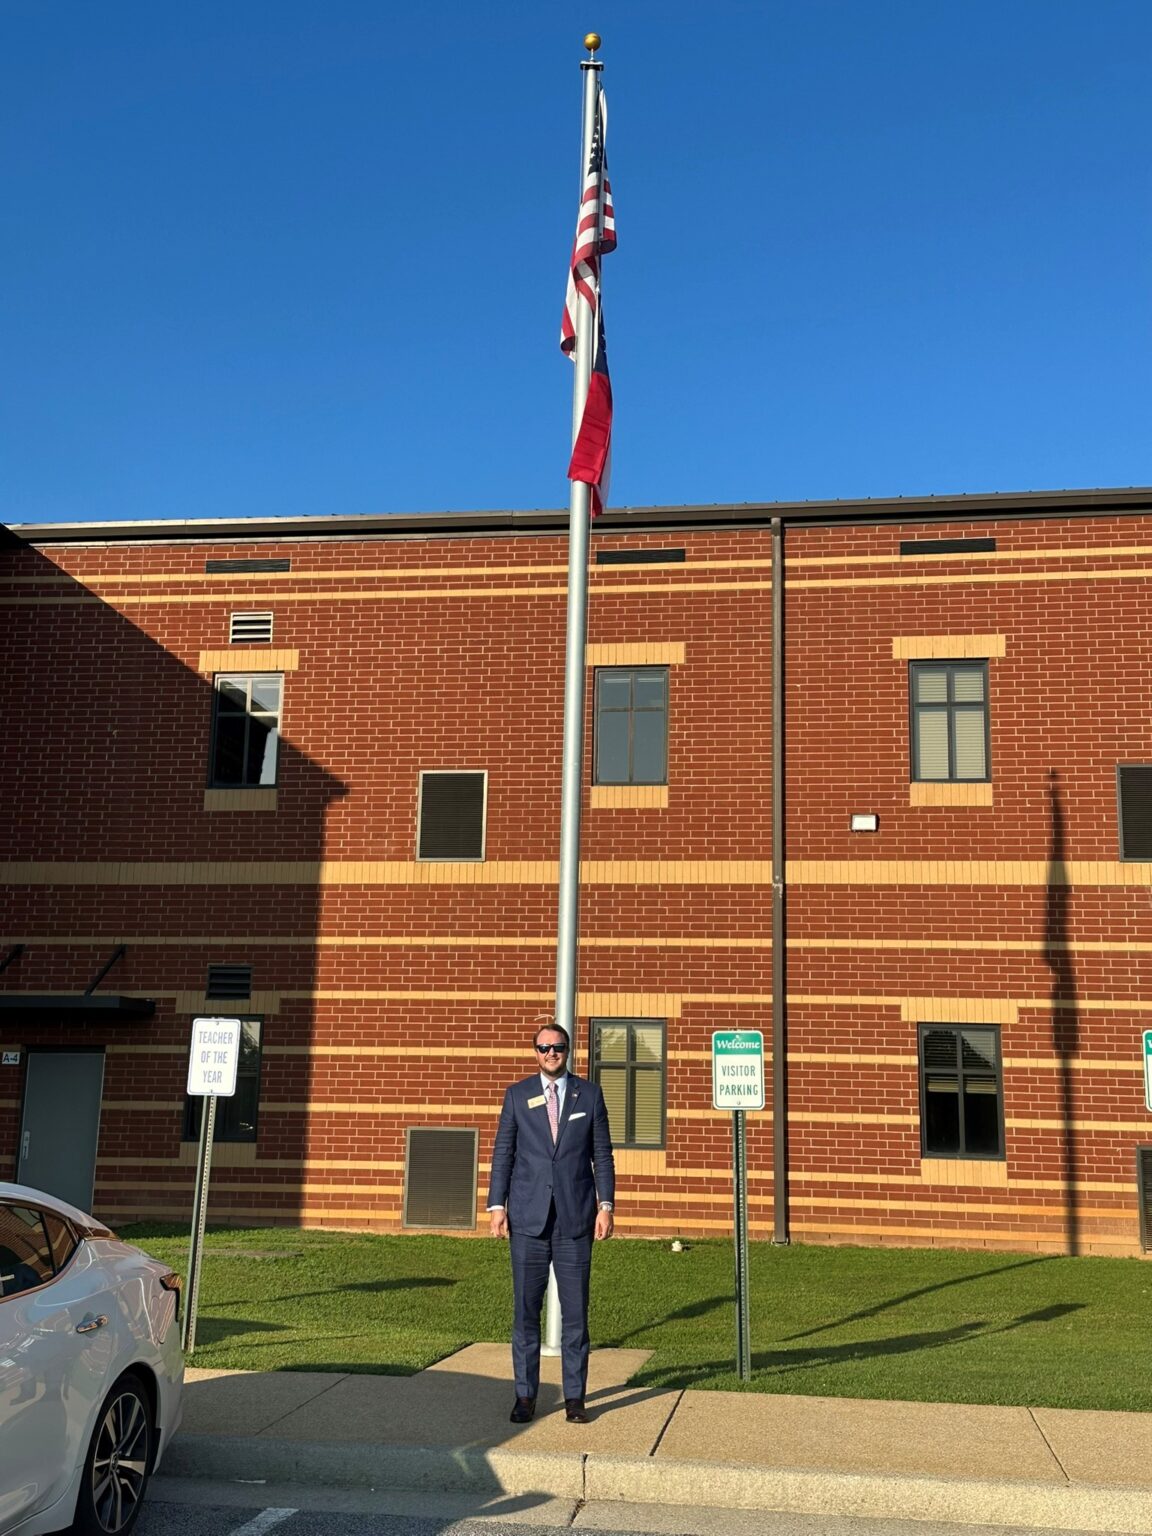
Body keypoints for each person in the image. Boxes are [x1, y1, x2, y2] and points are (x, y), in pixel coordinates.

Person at [487, 1020, 615, 1424]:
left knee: (576, 1313)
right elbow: (503, 1154)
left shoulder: (589, 1096)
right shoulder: (517, 1095)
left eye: (557, 1047)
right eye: (543, 1048)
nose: (550, 1054)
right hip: (527, 1220)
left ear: (568, 1050)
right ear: (534, 1052)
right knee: (526, 1312)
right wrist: (497, 1207)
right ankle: (525, 1396)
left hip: (575, 1221)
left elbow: (603, 1155)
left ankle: (575, 1398)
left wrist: (606, 1205)